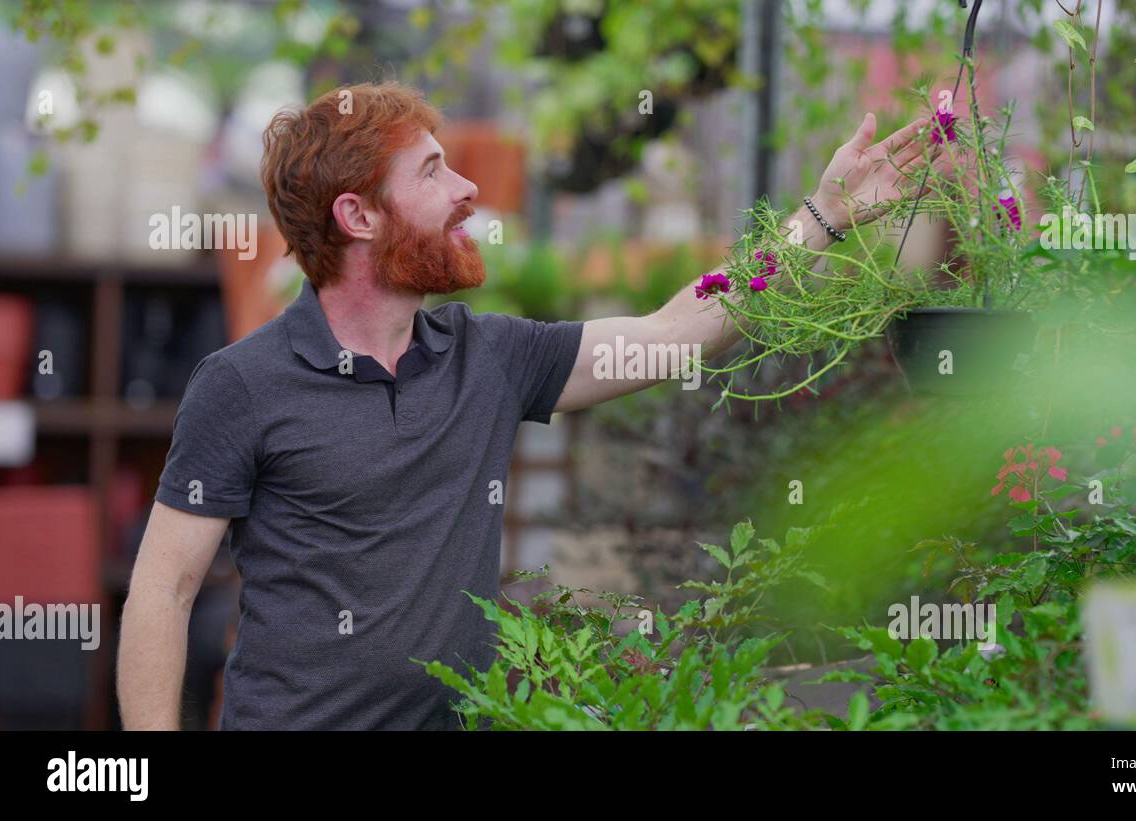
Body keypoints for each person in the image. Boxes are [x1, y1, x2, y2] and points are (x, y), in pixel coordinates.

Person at [117, 81, 944, 730]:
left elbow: (678, 329)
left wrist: (822, 217)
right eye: (435, 171)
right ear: (358, 214)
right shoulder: (244, 383)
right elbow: (164, 589)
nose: (472, 188)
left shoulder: (492, 357)